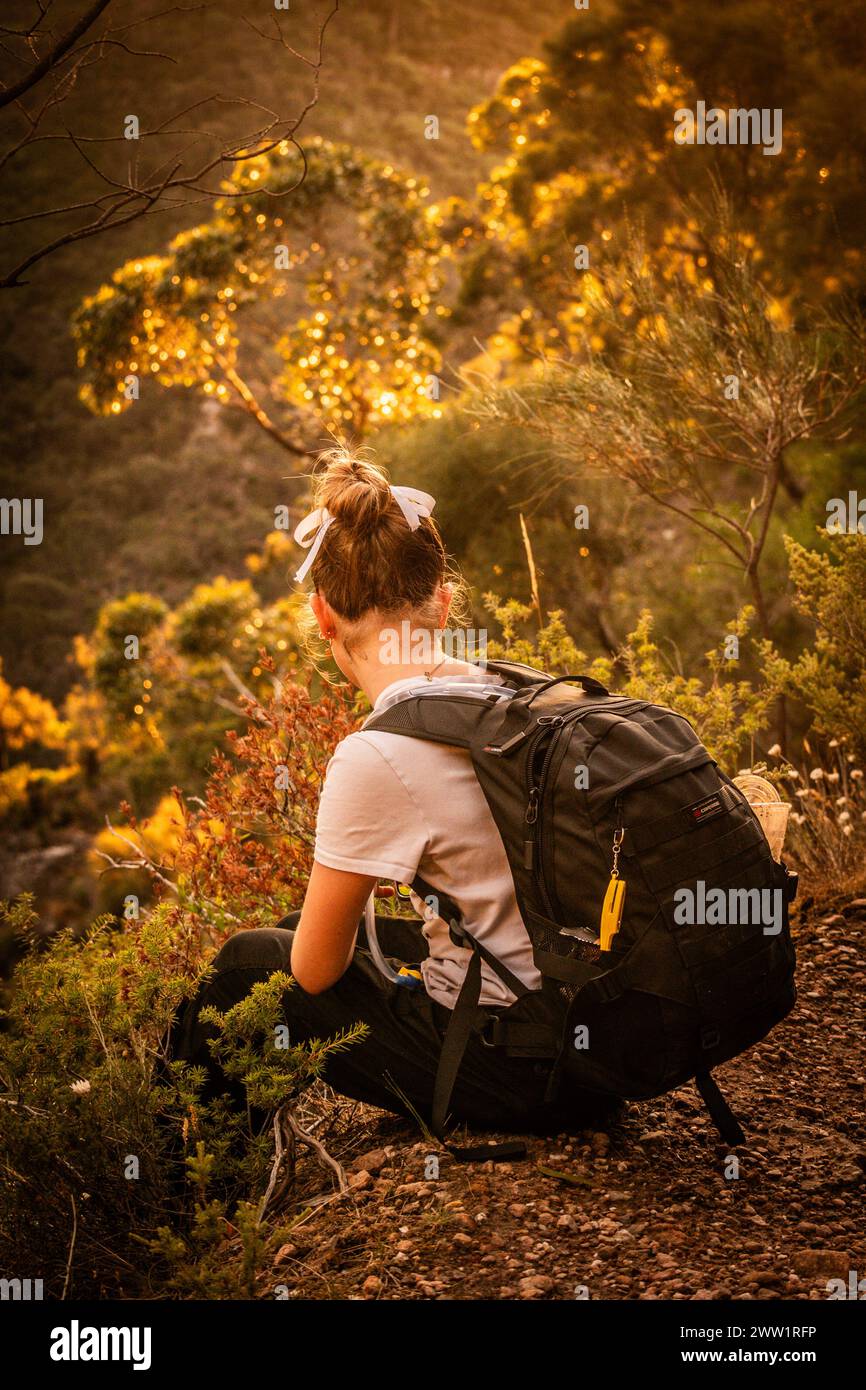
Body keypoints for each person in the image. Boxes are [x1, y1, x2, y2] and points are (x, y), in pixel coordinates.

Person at [171, 448, 617, 1139]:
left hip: (526, 1072)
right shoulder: (513, 692)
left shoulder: (377, 753)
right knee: (292, 930)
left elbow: (315, 976)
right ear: (442, 602)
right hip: (601, 1029)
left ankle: (191, 1193)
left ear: (324, 617)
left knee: (241, 971)